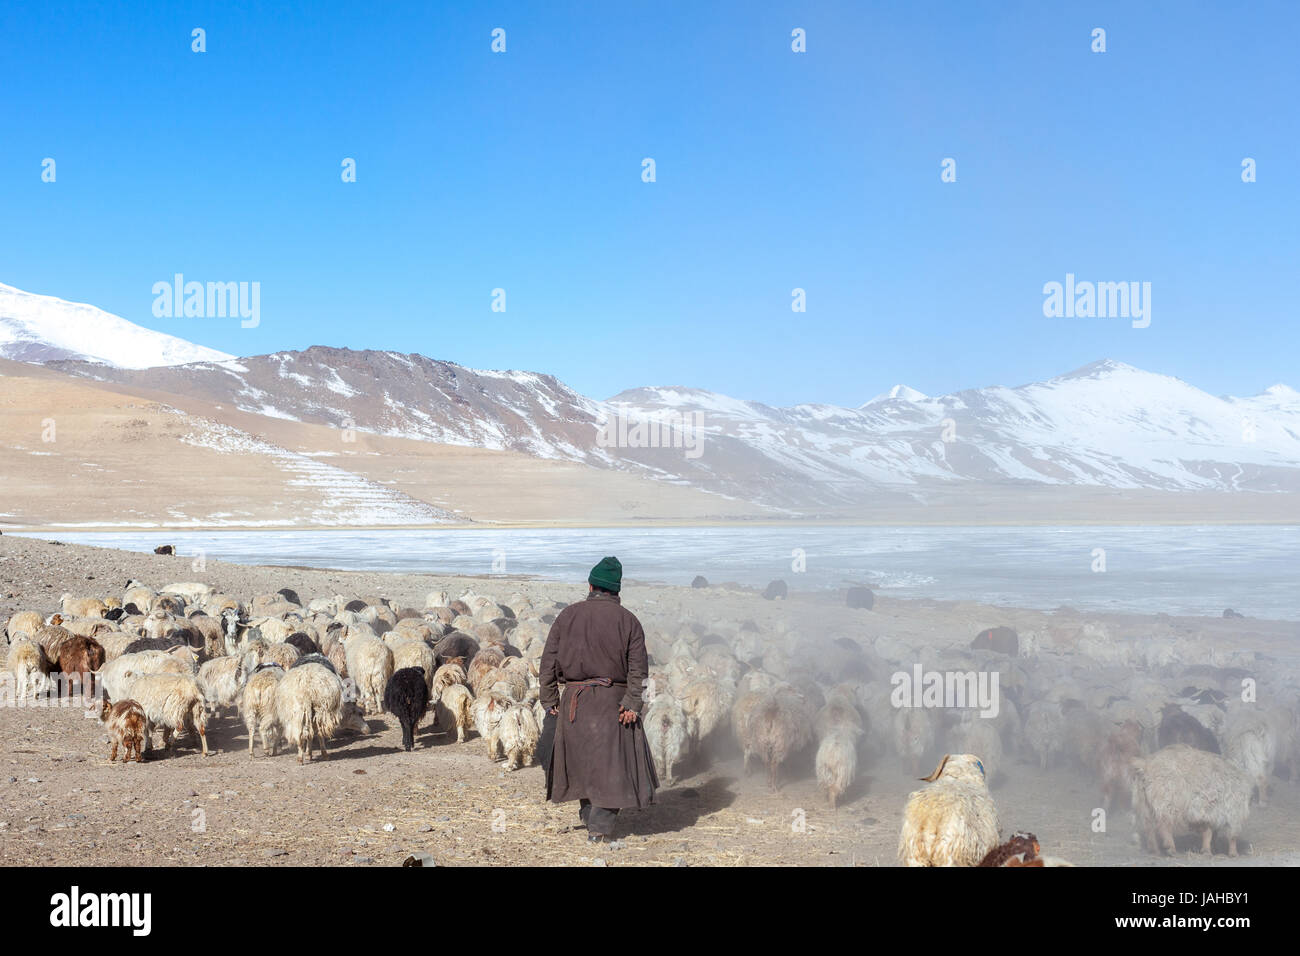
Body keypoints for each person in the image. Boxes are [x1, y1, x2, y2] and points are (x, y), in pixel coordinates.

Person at [539, 556, 658, 842]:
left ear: (590, 585)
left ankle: (592, 819)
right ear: (617, 591)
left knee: (582, 763)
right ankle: (598, 826)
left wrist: (549, 697)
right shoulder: (628, 620)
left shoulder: (567, 616)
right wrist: (632, 703)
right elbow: (638, 669)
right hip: (612, 704)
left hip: (574, 703)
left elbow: (548, 661)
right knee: (610, 765)